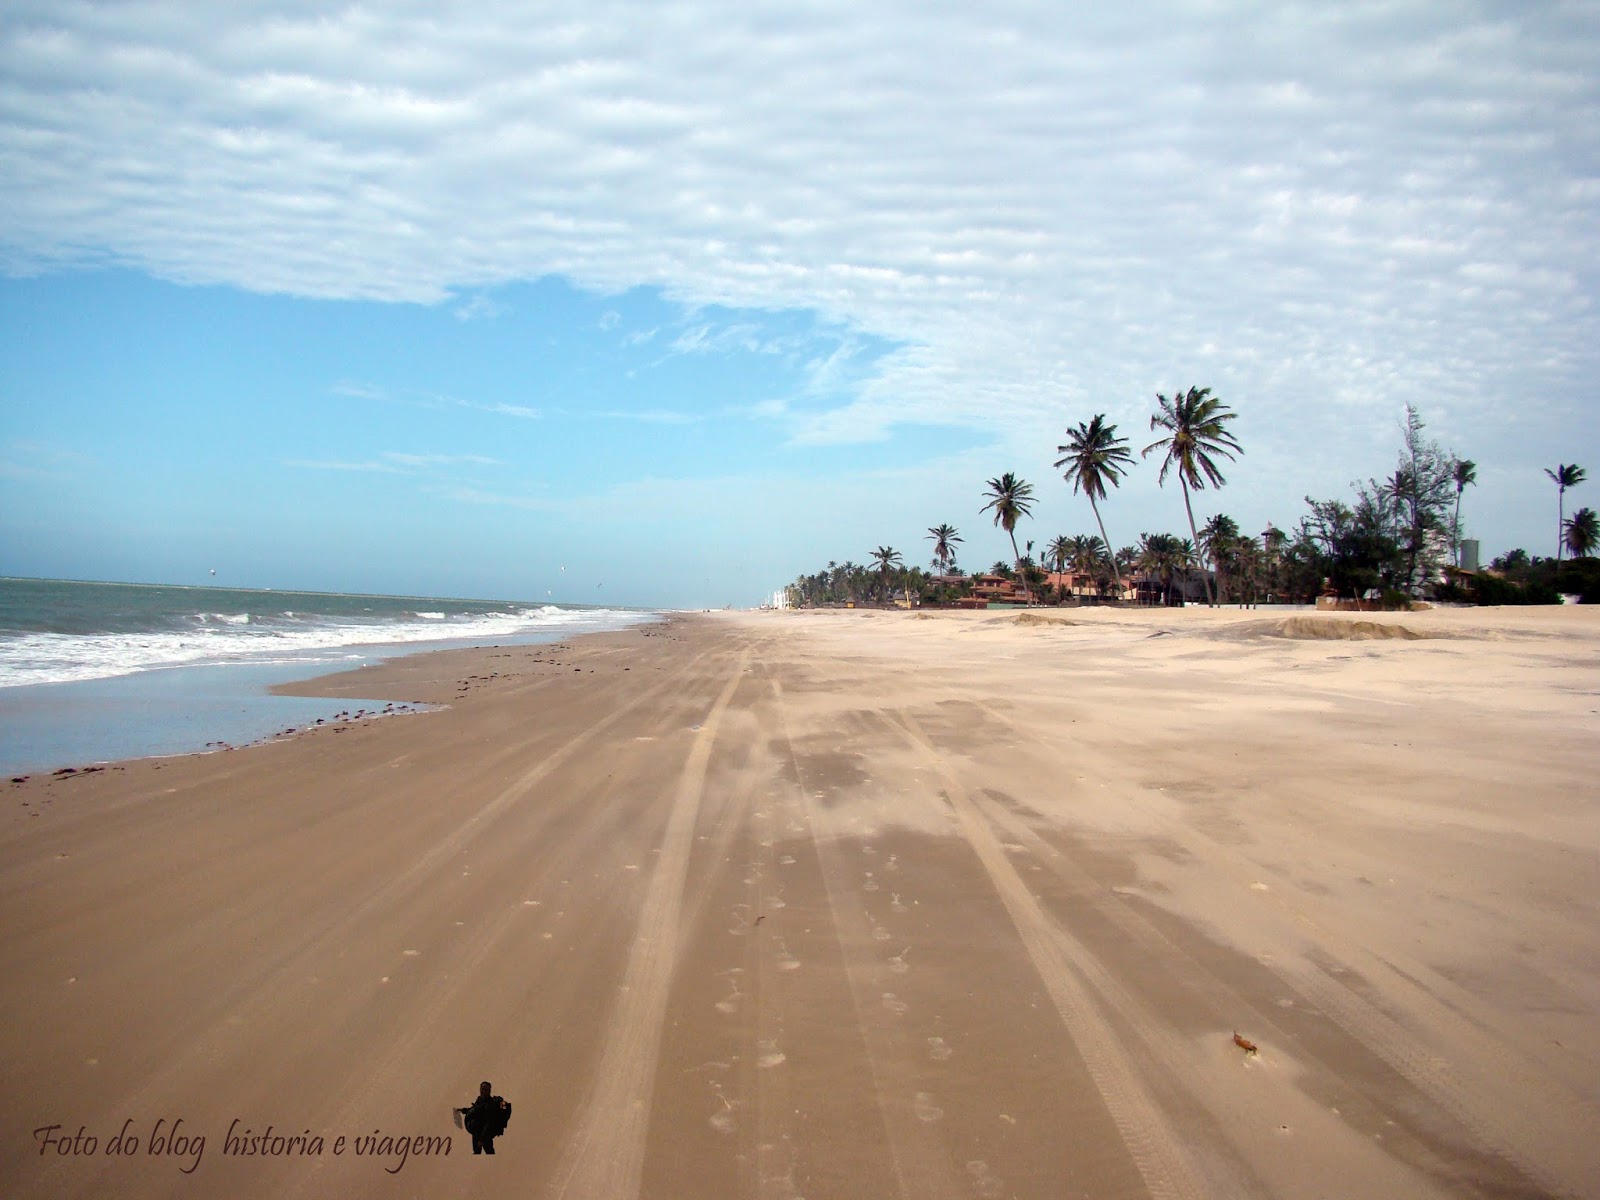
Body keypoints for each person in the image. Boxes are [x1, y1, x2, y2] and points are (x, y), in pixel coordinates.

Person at [455, 1081, 512, 1155]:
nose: (483, 1091)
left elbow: (489, 1123)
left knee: (489, 1152)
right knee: (477, 1152)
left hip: (485, 1134)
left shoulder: (490, 1105)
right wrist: (463, 1110)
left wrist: (482, 1139)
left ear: (489, 1091)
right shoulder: (480, 1099)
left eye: (486, 1090)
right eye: (482, 1089)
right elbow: (475, 1110)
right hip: (476, 1132)